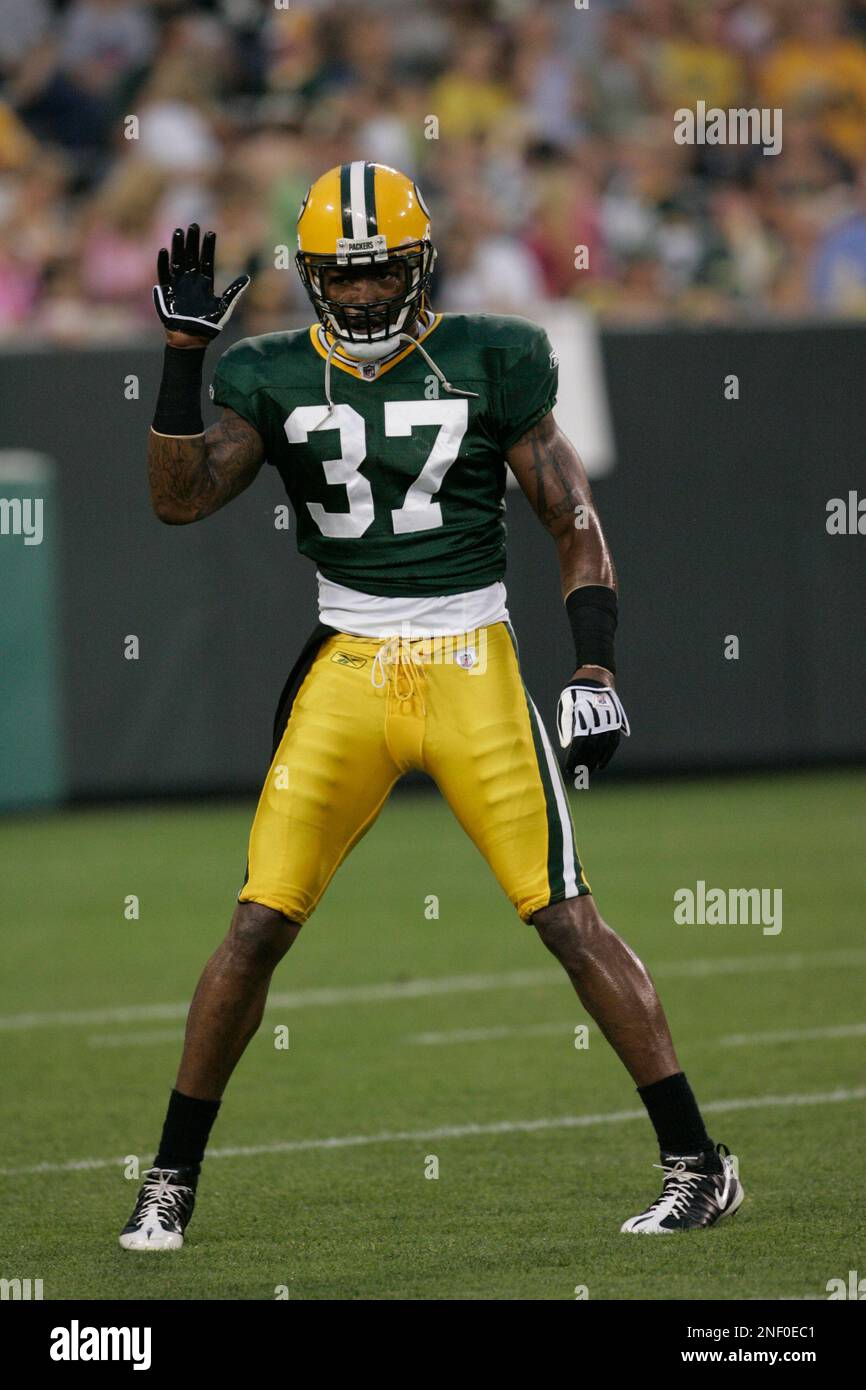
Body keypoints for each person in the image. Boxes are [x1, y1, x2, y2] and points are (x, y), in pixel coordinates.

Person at [119, 161, 743, 1250]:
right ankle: (169, 1179)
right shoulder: (266, 371)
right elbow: (178, 502)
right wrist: (181, 360)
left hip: (468, 656)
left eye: (379, 273)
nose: (360, 296)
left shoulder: (493, 356)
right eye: (342, 276)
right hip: (348, 664)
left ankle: (699, 1161)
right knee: (257, 921)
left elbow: (572, 516)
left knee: (563, 913)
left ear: (420, 266)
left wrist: (593, 667)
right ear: (311, 277)